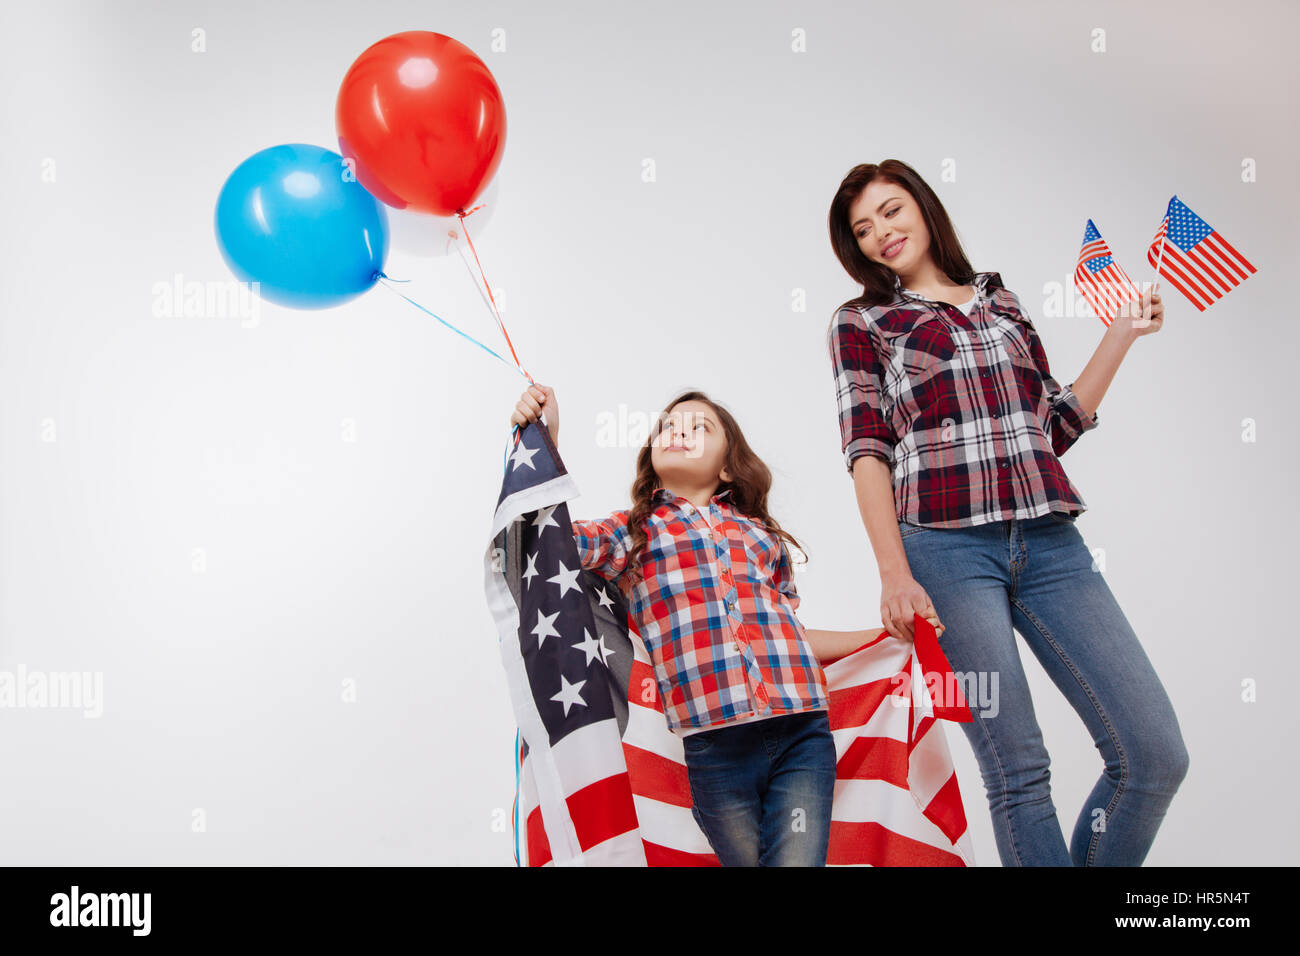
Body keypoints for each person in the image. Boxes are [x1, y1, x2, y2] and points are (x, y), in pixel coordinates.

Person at [825, 159, 1189, 866]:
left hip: (1051, 544)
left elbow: (1049, 427)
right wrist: (894, 575)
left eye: (891, 211)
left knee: (1153, 755)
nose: (881, 234)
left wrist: (1118, 335)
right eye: (863, 229)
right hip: (943, 554)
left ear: (924, 209)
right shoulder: (862, 322)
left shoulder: (1001, 299)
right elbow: (867, 450)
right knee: (1018, 769)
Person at [509, 383, 943, 865]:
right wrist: (546, 440)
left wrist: (885, 638)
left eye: (699, 427)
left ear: (728, 466)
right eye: (668, 426)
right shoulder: (631, 532)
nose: (679, 431)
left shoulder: (761, 537)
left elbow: (793, 637)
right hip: (714, 749)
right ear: (651, 455)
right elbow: (553, 543)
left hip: (802, 733)